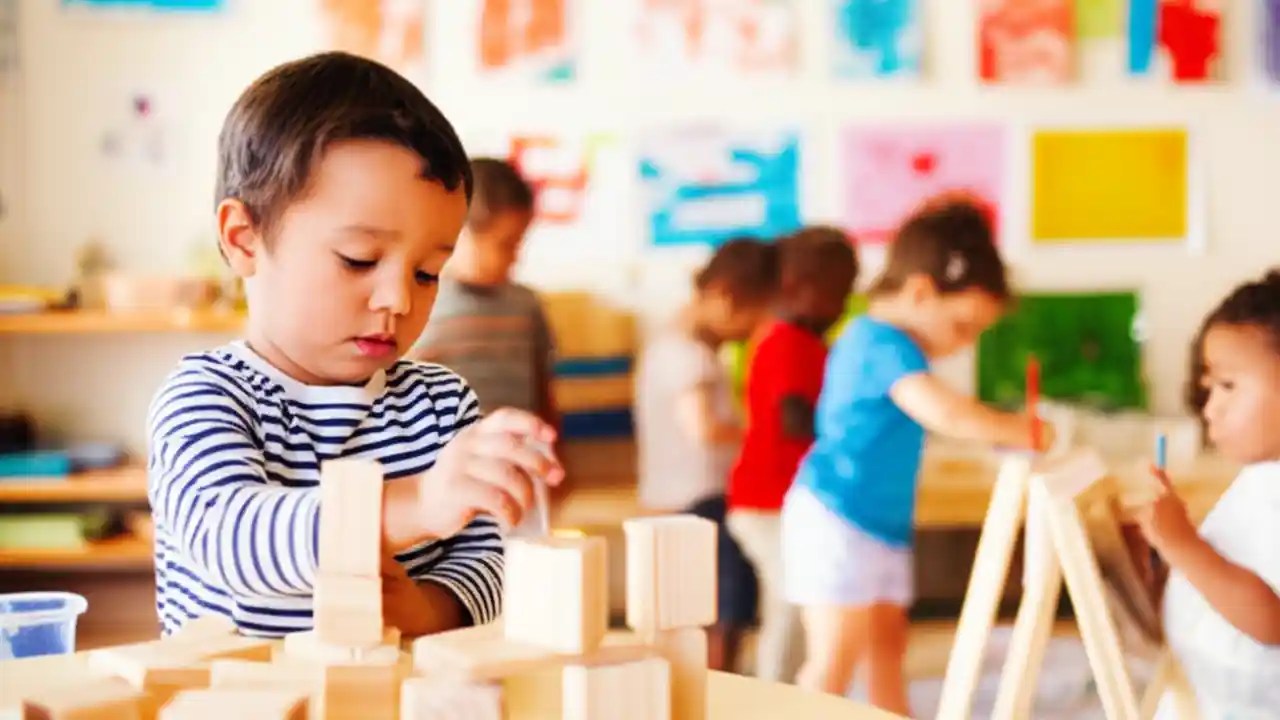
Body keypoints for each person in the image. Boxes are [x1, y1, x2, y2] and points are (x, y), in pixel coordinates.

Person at [146, 52, 562, 638]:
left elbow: (489, 561)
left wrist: (431, 609)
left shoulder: (442, 405)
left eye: (426, 272)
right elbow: (229, 538)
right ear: (244, 240)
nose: (397, 298)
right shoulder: (205, 397)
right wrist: (415, 504)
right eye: (358, 260)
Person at [781, 201, 1048, 713]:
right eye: (963, 326)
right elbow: (946, 414)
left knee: (886, 650)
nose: (964, 343)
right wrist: (1022, 429)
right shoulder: (877, 341)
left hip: (878, 526)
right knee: (833, 661)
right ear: (921, 292)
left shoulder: (895, 347)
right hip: (836, 517)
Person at [634, 237, 778, 672]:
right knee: (722, 608)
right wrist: (760, 433)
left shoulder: (678, 344)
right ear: (725, 298)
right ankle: (719, 690)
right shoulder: (687, 353)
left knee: (712, 608)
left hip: (681, 498)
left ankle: (716, 685)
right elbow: (703, 428)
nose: (754, 330)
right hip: (696, 502)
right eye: (754, 317)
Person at [1143, 270, 1280, 718]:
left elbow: (1270, 620)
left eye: (1227, 386)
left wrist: (1181, 543)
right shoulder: (1258, 476)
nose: (1209, 409)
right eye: (1207, 389)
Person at [726, 227, 858, 683]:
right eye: (834, 293)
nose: (841, 304)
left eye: (847, 292)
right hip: (765, 501)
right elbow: (794, 419)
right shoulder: (786, 341)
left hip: (782, 501)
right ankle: (775, 695)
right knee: (794, 600)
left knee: (793, 601)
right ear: (793, 287)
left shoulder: (804, 342)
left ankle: (784, 688)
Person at [411, 158, 557, 426]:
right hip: (446, 461)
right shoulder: (416, 303)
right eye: (506, 244)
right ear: (457, 231)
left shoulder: (526, 306)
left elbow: (543, 393)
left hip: (519, 453)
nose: (516, 257)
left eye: (519, 243)